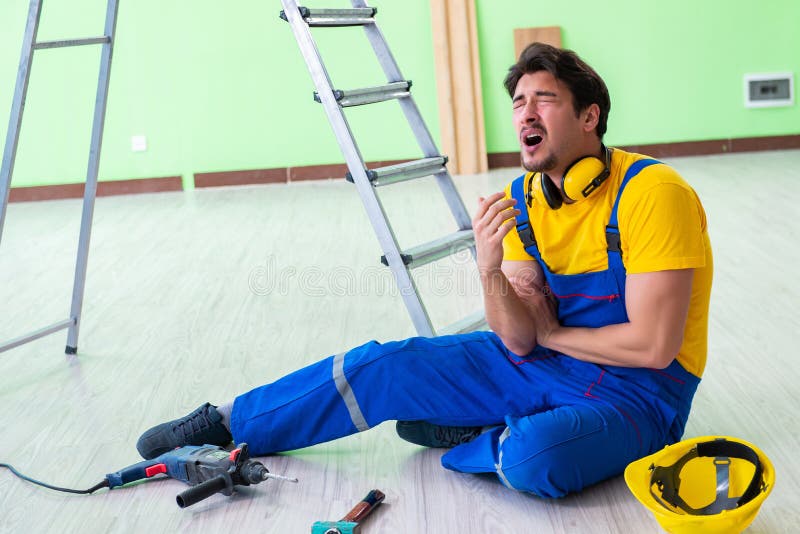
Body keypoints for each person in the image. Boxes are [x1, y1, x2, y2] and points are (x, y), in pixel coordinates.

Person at [136, 42, 713, 499]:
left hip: (639, 396)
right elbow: (517, 340)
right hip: (544, 366)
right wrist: (490, 269)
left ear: (591, 116)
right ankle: (229, 422)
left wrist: (555, 333)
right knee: (384, 364)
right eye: (518, 103)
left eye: (544, 100)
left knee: (536, 458)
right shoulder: (525, 199)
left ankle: (479, 429)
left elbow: (654, 346)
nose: (525, 114)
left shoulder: (651, 193)